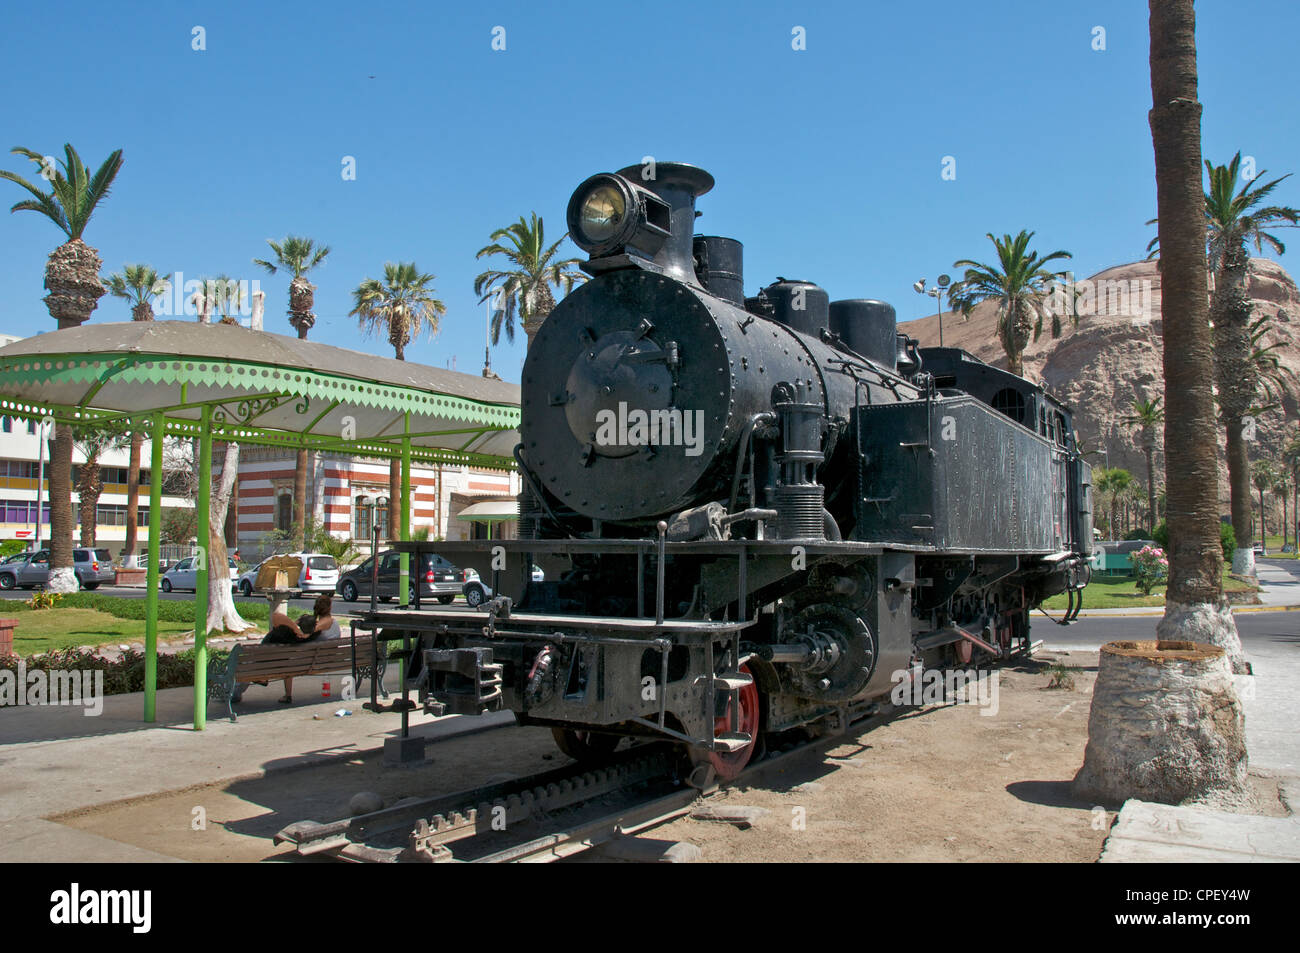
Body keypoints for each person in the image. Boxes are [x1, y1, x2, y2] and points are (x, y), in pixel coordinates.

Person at [261, 608, 317, 703]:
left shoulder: (284, 630)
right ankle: (288, 695)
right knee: (287, 665)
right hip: (284, 667)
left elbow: (276, 615)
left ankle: (259, 680)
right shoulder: (306, 639)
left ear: (298, 622)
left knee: (245, 666)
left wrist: (295, 626)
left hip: (259, 666)